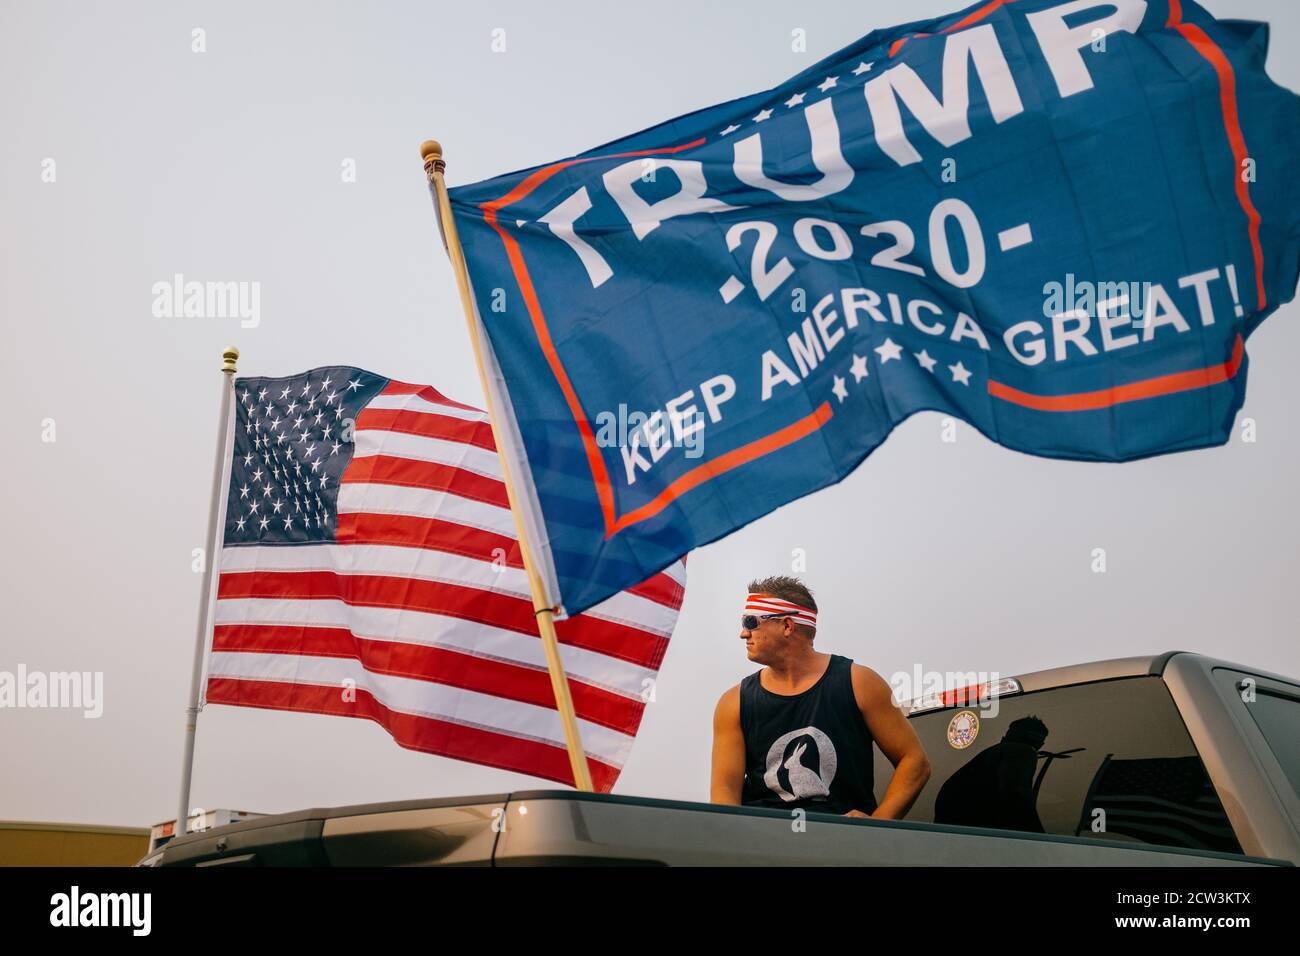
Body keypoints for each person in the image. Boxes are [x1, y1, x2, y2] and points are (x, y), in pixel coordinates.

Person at [710, 575, 930, 818]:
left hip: (840, 844)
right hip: (765, 843)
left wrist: (878, 825)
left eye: (750, 622)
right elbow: (724, 795)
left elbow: (914, 761)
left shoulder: (859, 683)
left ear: (786, 626)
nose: (743, 633)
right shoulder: (734, 702)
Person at [933, 716, 1049, 833]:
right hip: (980, 837)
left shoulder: (986, 759)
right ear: (1035, 740)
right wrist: (1043, 839)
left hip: (955, 836)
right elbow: (1016, 798)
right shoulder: (1021, 751)